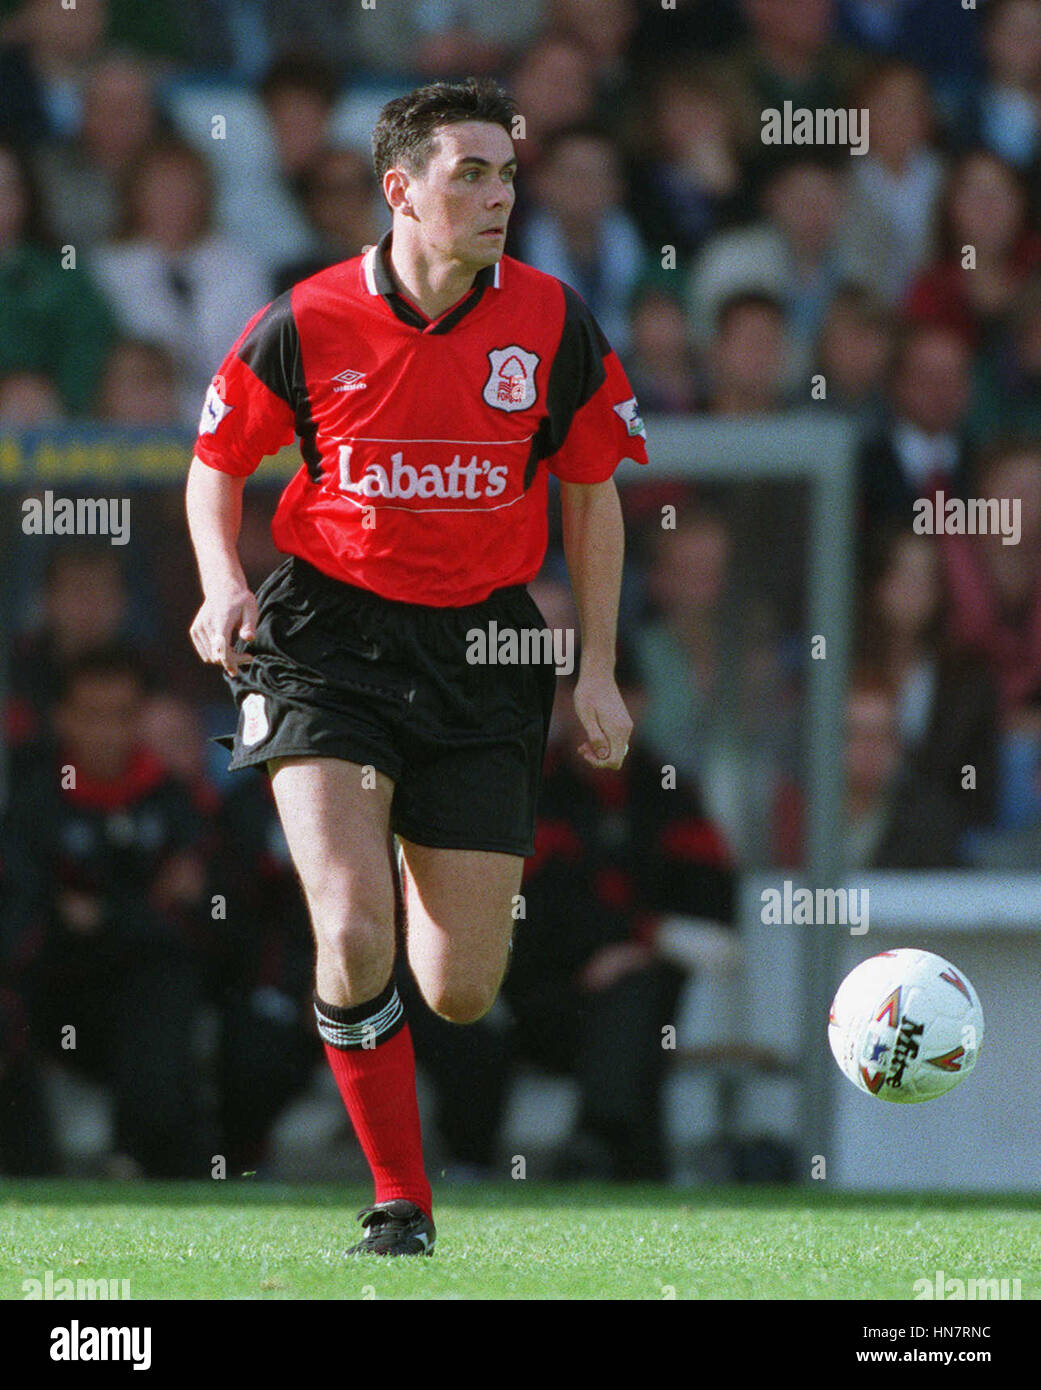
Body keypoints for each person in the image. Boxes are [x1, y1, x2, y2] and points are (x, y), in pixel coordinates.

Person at [185, 78, 648, 1256]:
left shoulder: (552, 319)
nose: (499, 197)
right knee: (351, 932)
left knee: (458, 989)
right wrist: (222, 583)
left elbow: (593, 495)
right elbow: (215, 461)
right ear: (400, 190)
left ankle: (398, 821)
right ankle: (402, 1202)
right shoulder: (307, 317)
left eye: (507, 175)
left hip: (482, 651)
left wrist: (596, 669)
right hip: (325, 641)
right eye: (470, 174)